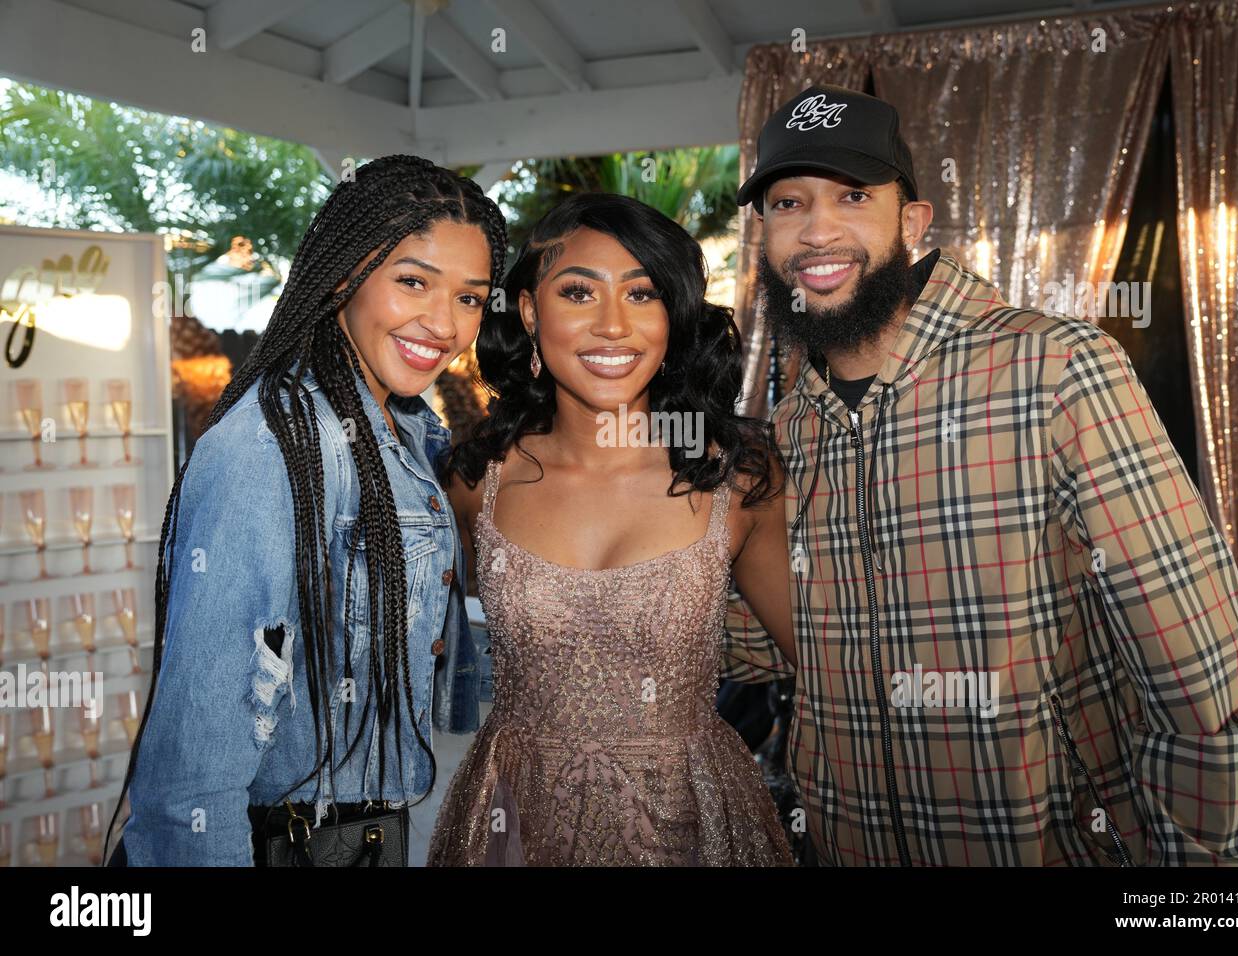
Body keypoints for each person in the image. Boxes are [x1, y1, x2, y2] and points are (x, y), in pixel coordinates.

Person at [723, 84, 1238, 866]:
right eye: (788, 203)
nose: (818, 229)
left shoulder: (1052, 367)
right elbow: (766, 652)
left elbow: (1203, 671)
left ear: (913, 222)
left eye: (853, 195)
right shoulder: (789, 432)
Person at [108, 156, 507, 865]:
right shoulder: (270, 449)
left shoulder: (410, 430)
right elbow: (191, 773)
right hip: (288, 845)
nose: (444, 324)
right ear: (345, 274)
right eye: (413, 282)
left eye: (471, 298)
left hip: (369, 836)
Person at [428, 193, 796, 866]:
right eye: (578, 293)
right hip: (516, 822)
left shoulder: (736, 479)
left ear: (672, 317)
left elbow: (825, 654)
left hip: (689, 822)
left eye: (643, 294)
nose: (612, 326)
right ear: (532, 314)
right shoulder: (477, 478)